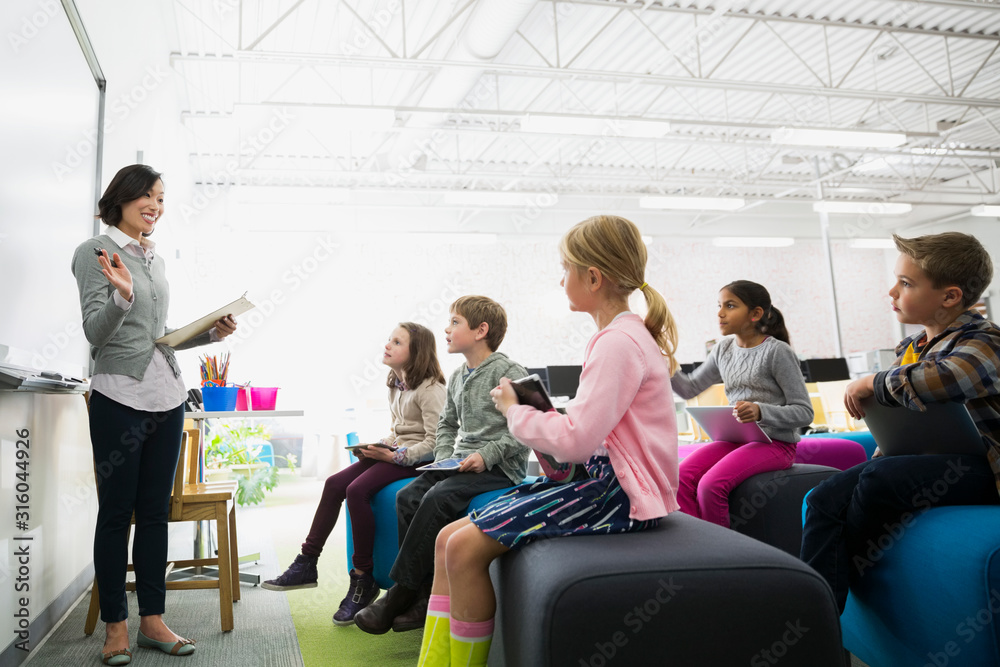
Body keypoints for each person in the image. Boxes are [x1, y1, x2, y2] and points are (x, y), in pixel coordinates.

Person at [414, 215, 680, 666]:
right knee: (445, 539)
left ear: (592, 277)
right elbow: (592, 432)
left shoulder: (617, 342)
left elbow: (574, 445)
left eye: (566, 269)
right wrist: (544, 412)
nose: (561, 281)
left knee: (460, 547)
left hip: (620, 495)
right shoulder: (618, 337)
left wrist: (514, 411)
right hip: (607, 480)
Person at [72, 165, 237, 665]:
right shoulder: (94, 252)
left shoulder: (153, 257)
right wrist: (121, 295)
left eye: (161, 198)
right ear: (121, 198)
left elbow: (156, 335)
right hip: (118, 395)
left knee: (154, 514)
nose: (156, 205)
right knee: (116, 514)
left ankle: (153, 621)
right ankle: (116, 629)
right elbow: (95, 334)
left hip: (166, 397)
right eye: (147, 195)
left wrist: (210, 335)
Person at [801, 232, 1000, 614]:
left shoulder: (985, 341)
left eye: (905, 284)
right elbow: (904, 422)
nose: (892, 292)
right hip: (935, 459)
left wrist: (870, 382)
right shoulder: (909, 349)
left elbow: (950, 378)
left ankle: (850, 573)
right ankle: (814, 613)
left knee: (878, 480)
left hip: (985, 469)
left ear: (950, 297)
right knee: (823, 497)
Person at [354, 296, 531, 635]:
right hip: (458, 463)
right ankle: (423, 597)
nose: (446, 330)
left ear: (481, 331)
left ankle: (399, 594)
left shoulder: (511, 372)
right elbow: (447, 426)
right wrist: (445, 458)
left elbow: (525, 429)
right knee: (407, 497)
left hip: (498, 468)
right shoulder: (458, 376)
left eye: (455, 323)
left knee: (437, 499)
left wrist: (486, 455)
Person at [261, 322, 447, 626]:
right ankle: (306, 562)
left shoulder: (431, 389)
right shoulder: (396, 384)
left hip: (418, 460)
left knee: (356, 491)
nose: (388, 345)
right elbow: (399, 431)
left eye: (397, 342)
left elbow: (435, 442)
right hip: (398, 453)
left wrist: (394, 455)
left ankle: (363, 579)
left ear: (417, 352)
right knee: (334, 483)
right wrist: (377, 446)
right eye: (389, 339)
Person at [671, 280, 814, 527]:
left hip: (775, 444)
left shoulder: (777, 352)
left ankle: (725, 555)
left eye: (730, 305)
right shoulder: (722, 349)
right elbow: (689, 388)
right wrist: (665, 363)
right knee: (680, 476)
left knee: (710, 485)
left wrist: (760, 411)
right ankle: (697, 547)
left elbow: (804, 412)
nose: (720, 313)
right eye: (719, 305)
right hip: (736, 439)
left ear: (755, 314)